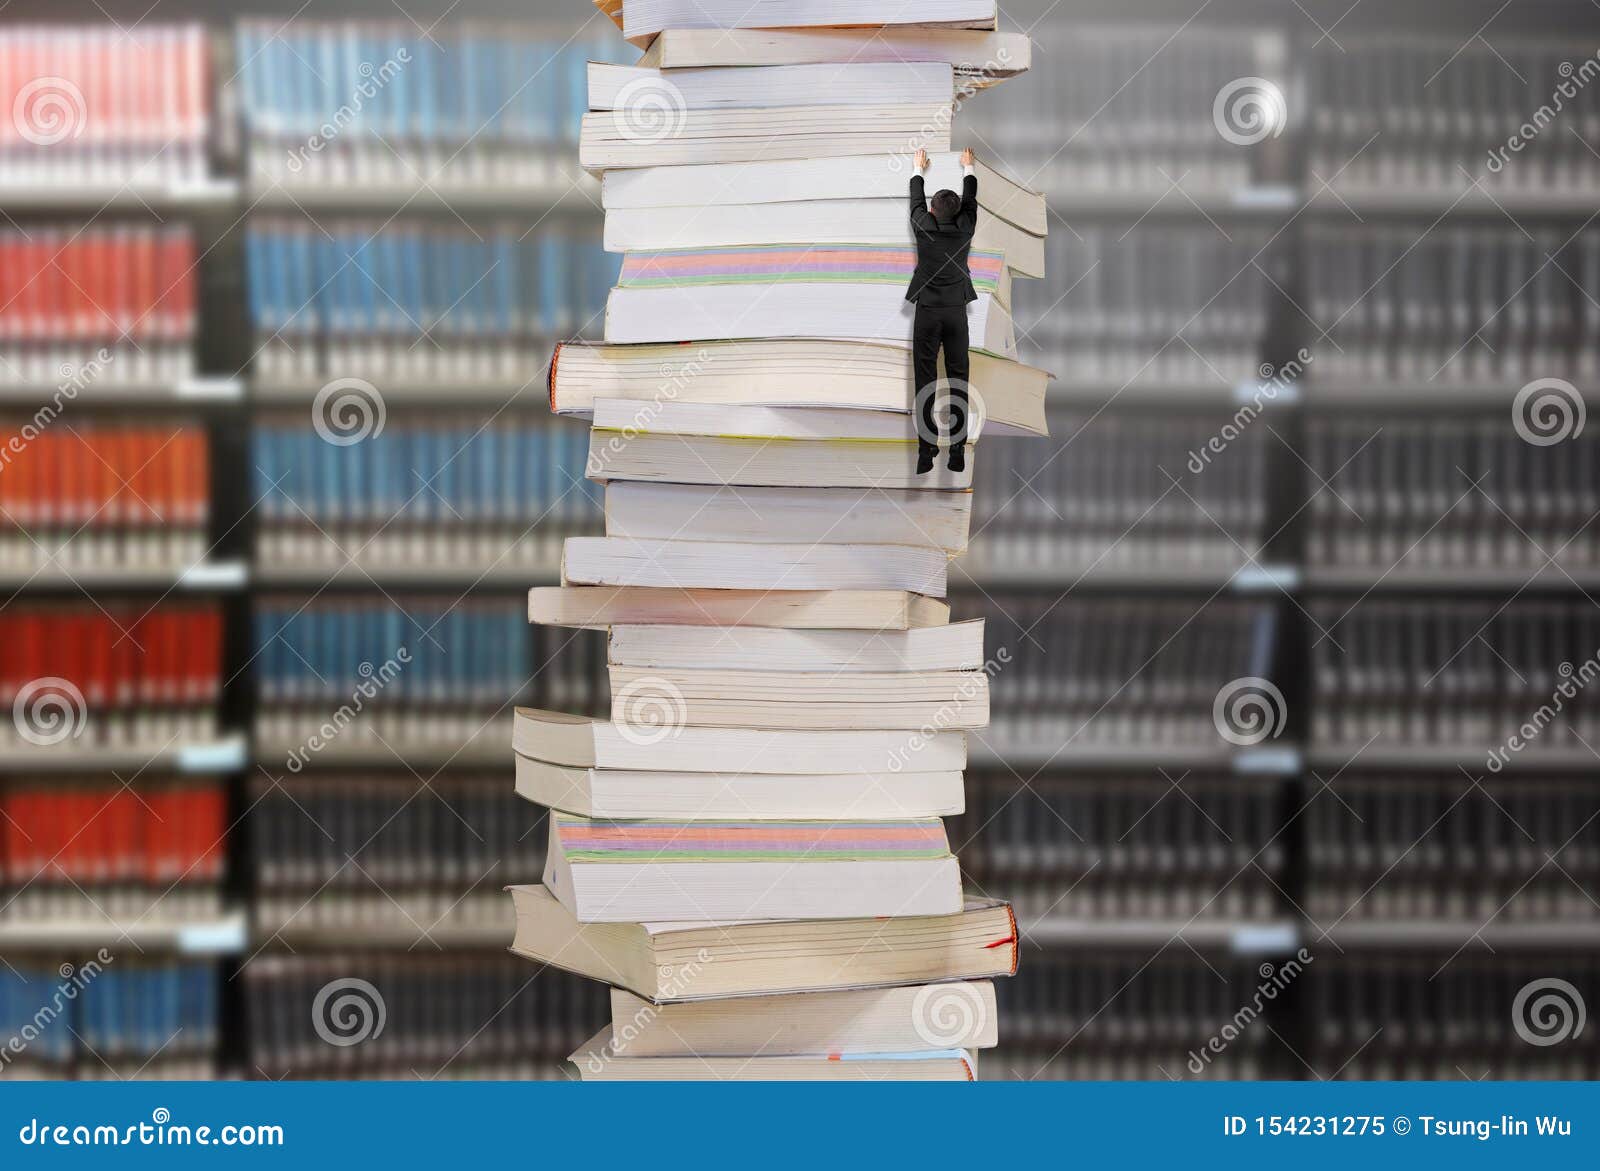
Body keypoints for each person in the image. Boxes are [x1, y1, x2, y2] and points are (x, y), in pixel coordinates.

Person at [907, 146, 978, 474]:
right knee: (958, 379)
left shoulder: (923, 225)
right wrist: (968, 167)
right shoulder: (966, 228)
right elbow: (971, 201)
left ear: (932, 212)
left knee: (925, 380)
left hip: (928, 311)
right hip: (955, 312)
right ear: (959, 213)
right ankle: (957, 451)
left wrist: (919, 168)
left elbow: (915, 201)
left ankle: (925, 452)